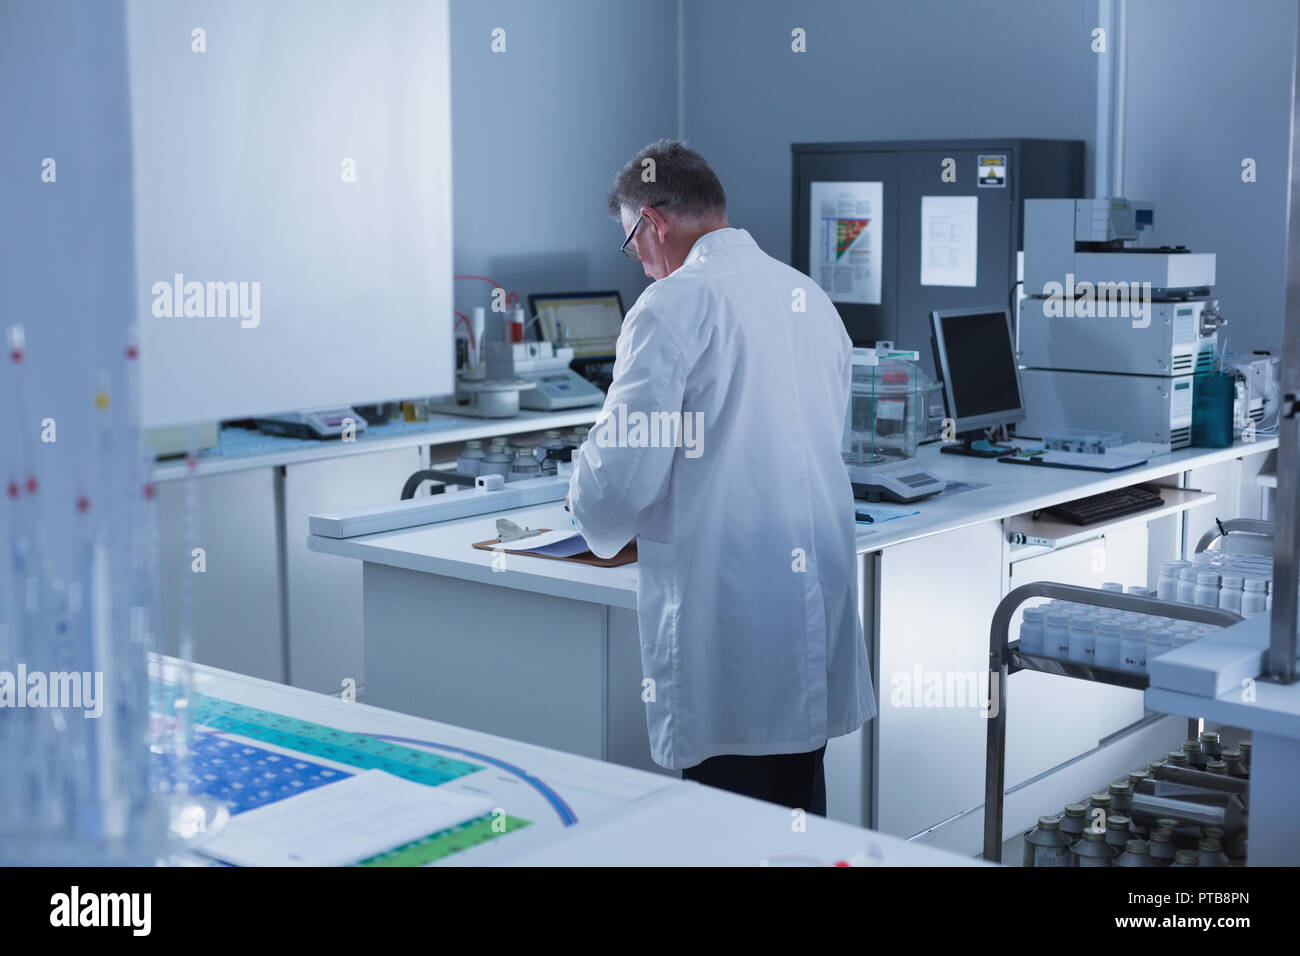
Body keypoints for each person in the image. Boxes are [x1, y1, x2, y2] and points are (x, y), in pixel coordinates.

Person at [567, 139, 875, 815]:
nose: (640, 265)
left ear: (653, 222)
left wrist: (582, 498)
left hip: (729, 621)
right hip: (810, 606)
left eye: (632, 244)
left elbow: (618, 484)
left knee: (725, 827)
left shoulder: (673, 304)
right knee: (799, 829)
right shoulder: (808, 295)